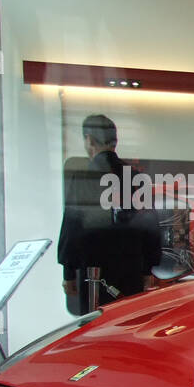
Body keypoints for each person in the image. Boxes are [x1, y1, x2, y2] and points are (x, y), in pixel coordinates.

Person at [58, 114, 162, 315]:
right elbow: (149, 226)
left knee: (96, 326)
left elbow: (72, 225)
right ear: (116, 141)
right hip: (131, 266)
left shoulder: (84, 178)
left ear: (89, 140)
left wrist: (68, 272)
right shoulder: (136, 177)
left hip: (94, 272)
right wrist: (148, 269)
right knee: (128, 322)